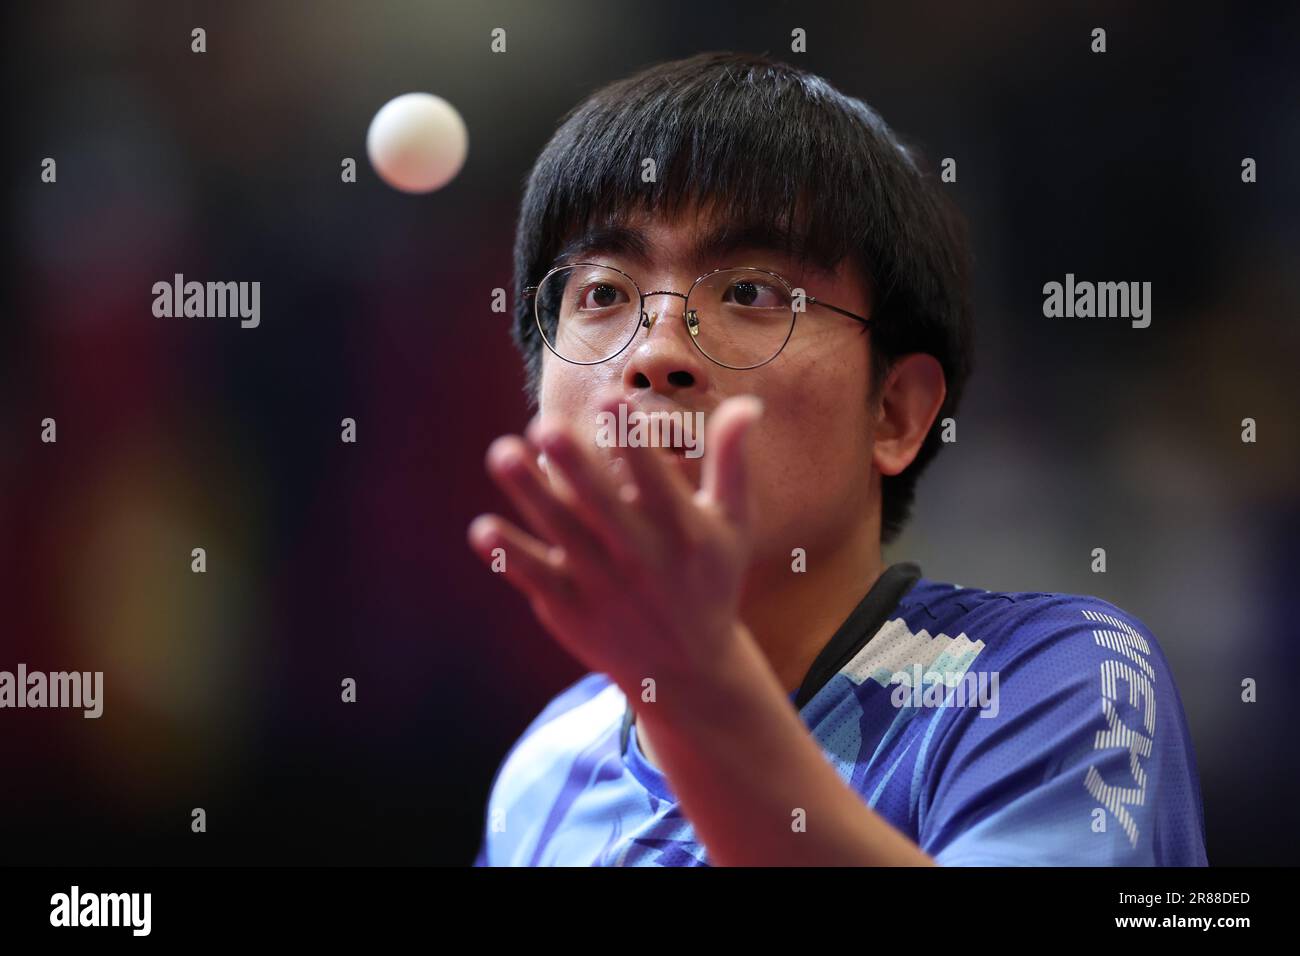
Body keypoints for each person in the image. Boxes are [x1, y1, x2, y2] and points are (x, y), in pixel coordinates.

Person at [467, 51, 1208, 866]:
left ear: (894, 413)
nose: (656, 350)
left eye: (749, 292)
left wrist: (699, 694)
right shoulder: (545, 775)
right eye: (603, 293)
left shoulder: (1049, 684)